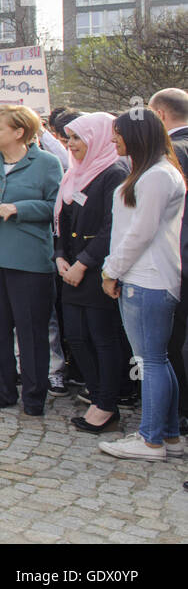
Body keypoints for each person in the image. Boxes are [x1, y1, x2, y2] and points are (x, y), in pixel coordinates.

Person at [96, 109, 187, 460]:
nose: (112, 140)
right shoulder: (153, 172)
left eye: (117, 133)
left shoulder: (157, 176)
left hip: (146, 279)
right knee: (157, 360)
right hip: (144, 276)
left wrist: (111, 270)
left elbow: (140, 233)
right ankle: (169, 436)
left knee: (151, 361)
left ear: (136, 135)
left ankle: (151, 440)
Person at [0, 105, 64, 416]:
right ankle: (4, 388)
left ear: (19, 132)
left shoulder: (47, 163)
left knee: (31, 329)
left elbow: (55, 207)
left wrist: (20, 208)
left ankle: (35, 394)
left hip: (29, 259)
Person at [53, 113, 127, 432]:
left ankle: (107, 403)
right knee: (77, 337)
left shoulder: (114, 173)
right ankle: (97, 396)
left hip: (97, 270)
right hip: (69, 269)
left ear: (96, 138)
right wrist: (59, 257)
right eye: (68, 138)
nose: (70, 144)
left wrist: (83, 262)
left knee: (102, 338)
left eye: (77, 138)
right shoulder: (75, 173)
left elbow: (113, 227)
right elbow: (61, 221)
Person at [149, 87, 188, 428]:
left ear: (159, 115)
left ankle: (173, 416)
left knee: (169, 344)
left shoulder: (171, 153)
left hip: (175, 259)